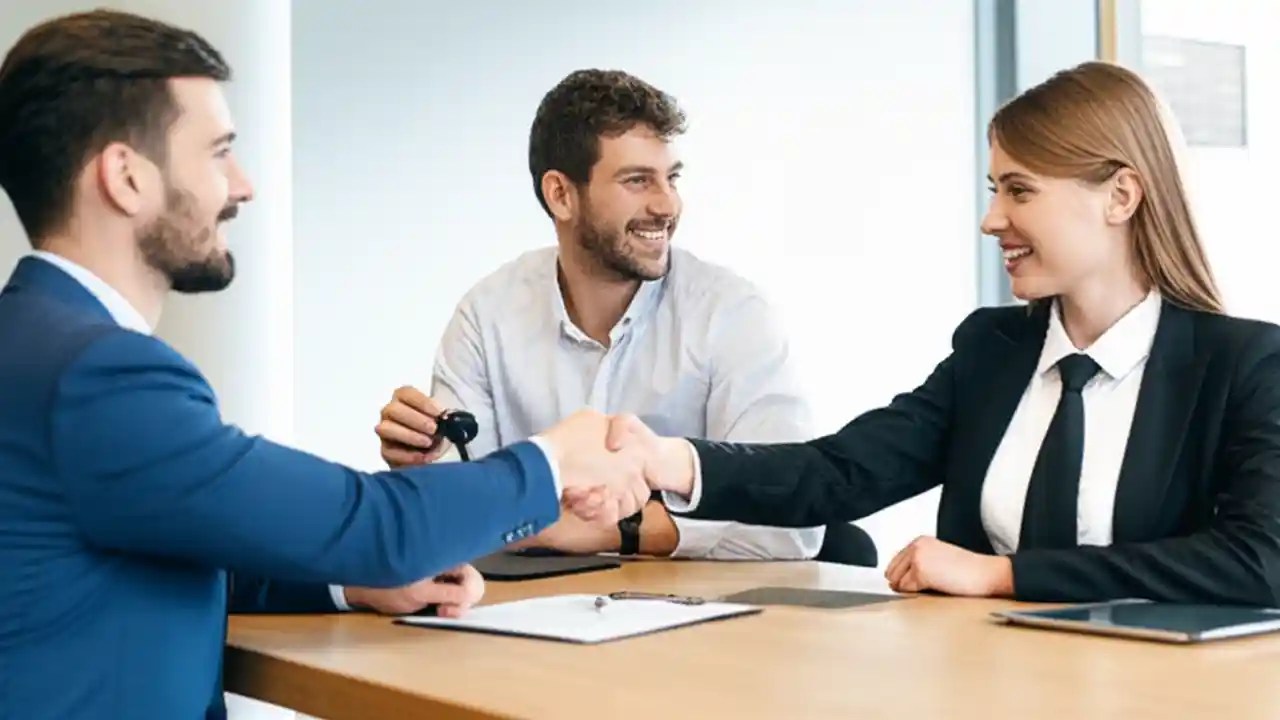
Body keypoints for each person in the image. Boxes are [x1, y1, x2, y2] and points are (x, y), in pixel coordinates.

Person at [0, 11, 647, 720]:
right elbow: (372, 524)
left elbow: (168, 552)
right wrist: (557, 461)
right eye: (217, 153)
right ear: (126, 177)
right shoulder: (100, 375)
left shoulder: (31, 345)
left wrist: (350, 587)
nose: (241, 185)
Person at [619, 60, 1280, 607]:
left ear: (1121, 196)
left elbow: (1260, 560)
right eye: (994, 189)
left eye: (1019, 191)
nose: (992, 219)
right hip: (985, 683)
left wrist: (1004, 576)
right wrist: (670, 459)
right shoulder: (992, 352)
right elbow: (839, 474)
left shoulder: (1245, 366)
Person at [367, 69, 828, 580]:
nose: (667, 204)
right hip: (523, 618)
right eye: (637, 180)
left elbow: (792, 522)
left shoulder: (733, 314)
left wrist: (610, 530)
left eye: (671, 177)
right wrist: (426, 463)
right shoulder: (487, 315)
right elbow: (457, 506)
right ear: (561, 195)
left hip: (698, 627)